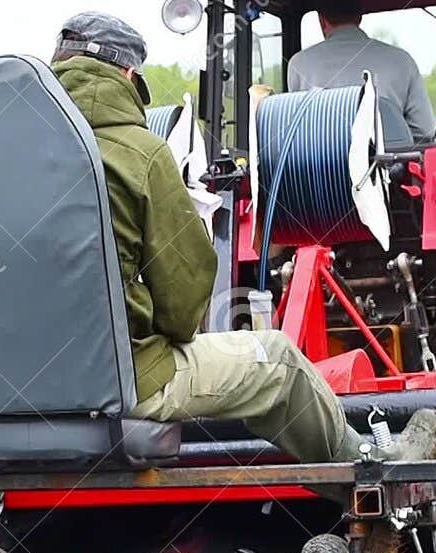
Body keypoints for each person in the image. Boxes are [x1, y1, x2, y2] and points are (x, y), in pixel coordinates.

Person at [48, 12, 373, 467]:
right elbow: (182, 312)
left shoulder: (0, 160)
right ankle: (370, 470)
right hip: (123, 386)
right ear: (127, 75)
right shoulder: (139, 152)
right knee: (277, 360)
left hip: (4, 396)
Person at [287, 1, 436, 144]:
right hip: (389, 168)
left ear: (322, 20)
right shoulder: (401, 60)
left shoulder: (299, 64)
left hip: (320, 169)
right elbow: (425, 131)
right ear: (359, 17)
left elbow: (294, 133)